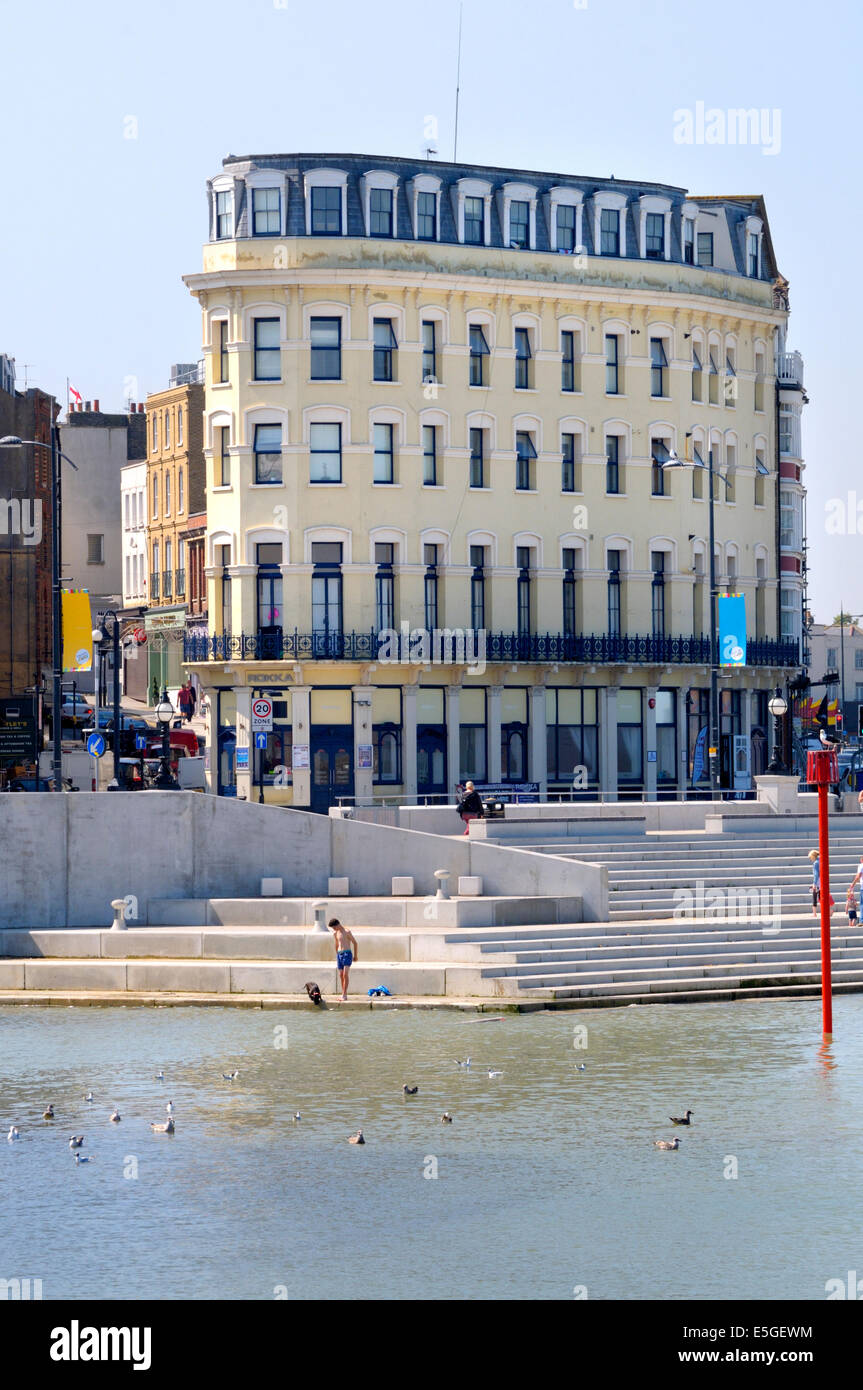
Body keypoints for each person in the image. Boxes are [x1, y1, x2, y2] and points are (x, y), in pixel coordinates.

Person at [328, 917, 359, 1002]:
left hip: (347, 954)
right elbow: (337, 944)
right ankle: (343, 993)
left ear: (337, 924)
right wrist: (337, 954)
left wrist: (355, 956)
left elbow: (355, 943)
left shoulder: (347, 932)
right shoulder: (335, 933)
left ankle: (344, 995)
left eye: (334, 927)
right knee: (341, 975)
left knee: (345, 974)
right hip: (339, 955)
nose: (333, 929)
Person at [808, 849, 820, 918]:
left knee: (814, 897)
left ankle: (814, 913)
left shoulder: (815, 863)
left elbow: (816, 874)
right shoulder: (820, 861)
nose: (810, 859)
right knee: (821, 897)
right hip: (821, 881)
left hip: (817, 882)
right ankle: (829, 910)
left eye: (810, 857)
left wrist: (814, 884)